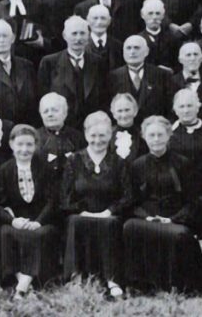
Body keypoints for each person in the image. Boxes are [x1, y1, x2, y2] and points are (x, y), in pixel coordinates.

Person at [123, 116, 202, 293]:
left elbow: (193, 201)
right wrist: (147, 216)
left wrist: (172, 219)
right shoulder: (136, 166)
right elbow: (132, 201)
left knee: (178, 234)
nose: (156, 140)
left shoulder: (183, 164)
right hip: (147, 217)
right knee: (130, 226)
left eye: (160, 135)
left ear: (169, 136)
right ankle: (140, 284)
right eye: (151, 135)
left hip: (175, 217)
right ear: (144, 137)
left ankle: (175, 284)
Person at [61, 111, 134, 299]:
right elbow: (65, 197)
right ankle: (75, 278)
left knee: (109, 224)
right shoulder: (74, 161)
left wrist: (109, 211)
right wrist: (82, 211)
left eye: (102, 135)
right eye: (93, 135)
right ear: (86, 135)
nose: (97, 140)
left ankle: (112, 279)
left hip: (109, 215)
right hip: (80, 214)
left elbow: (128, 196)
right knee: (75, 222)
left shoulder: (119, 162)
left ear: (110, 135)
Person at [0, 124, 61, 298]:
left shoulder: (45, 168)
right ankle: (24, 281)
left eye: (29, 145)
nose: (24, 149)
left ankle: (21, 288)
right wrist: (13, 220)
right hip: (17, 221)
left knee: (41, 234)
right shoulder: (4, 170)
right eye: (20, 144)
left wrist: (39, 221)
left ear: (36, 146)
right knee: (6, 233)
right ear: (11, 145)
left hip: (41, 220)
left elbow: (52, 201)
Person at [38, 16, 109, 127]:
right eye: (74, 33)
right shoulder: (49, 63)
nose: (78, 38)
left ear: (88, 35)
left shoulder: (98, 62)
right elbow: (43, 98)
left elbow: (104, 97)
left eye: (82, 33)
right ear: (65, 36)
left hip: (92, 127)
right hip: (63, 127)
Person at [166, 89, 202, 201]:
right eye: (181, 107)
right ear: (175, 110)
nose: (186, 110)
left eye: (190, 106)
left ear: (198, 107)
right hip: (176, 193)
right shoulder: (168, 131)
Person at [107, 35, 174, 123]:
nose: (132, 52)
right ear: (123, 52)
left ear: (146, 51)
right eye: (128, 48)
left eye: (136, 48)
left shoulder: (161, 75)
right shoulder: (113, 77)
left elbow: (169, 106)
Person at [35, 93, 86, 176]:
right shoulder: (34, 137)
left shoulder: (77, 137)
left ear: (65, 113)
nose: (50, 114)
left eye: (55, 110)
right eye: (45, 111)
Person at [137, 0, 186, 70]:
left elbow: (180, 64)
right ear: (142, 15)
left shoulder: (173, 39)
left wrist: (172, 70)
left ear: (163, 16)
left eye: (157, 13)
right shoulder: (138, 40)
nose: (154, 17)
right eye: (150, 13)